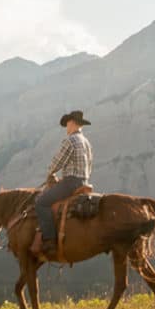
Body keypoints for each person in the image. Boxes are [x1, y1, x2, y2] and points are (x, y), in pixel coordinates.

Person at [36, 110, 94, 256]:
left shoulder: (70, 140)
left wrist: (50, 173)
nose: (66, 127)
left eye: (67, 123)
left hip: (71, 183)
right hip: (83, 182)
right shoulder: (86, 142)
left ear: (73, 123)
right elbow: (91, 164)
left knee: (41, 202)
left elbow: (58, 161)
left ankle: (49, 240)